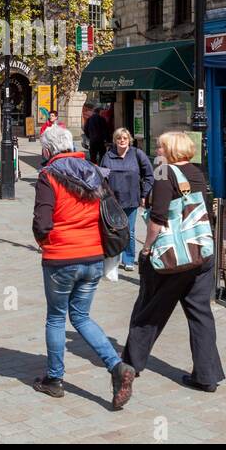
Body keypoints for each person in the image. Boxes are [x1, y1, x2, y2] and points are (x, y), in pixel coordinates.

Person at [31, 124, 136, 409]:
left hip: (62, 256)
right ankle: (116, 366)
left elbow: (42, 222)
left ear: (47, 150)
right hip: (93, 256)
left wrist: (45, 243)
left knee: (56, 318)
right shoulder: (93, 171)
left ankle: (55, 379)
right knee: (81, 317)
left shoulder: (48, 175)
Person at [122, 130, 225, 394]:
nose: (157, 151)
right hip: (201, 252)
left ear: (171, 151)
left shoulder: (164, 174)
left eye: (160, 147)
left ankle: (131, 364)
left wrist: (145, 249)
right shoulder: (197, 173)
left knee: (150, 309)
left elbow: (158, 218)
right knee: (200, 314)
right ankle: (207, 375)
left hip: (172, 255)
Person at [99, 127, 154, 272]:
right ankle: (114, 257)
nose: (122, 140)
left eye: (125, 138)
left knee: (129, 231)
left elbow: (149, 175)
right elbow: (101, 177)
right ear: (115, 140)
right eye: (119, 138)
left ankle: (128, 259)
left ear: (129, 140)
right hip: (112, 201)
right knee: (114, 230)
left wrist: (144, 194)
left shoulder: (137, 154)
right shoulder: (108, 156)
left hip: (131, 199)